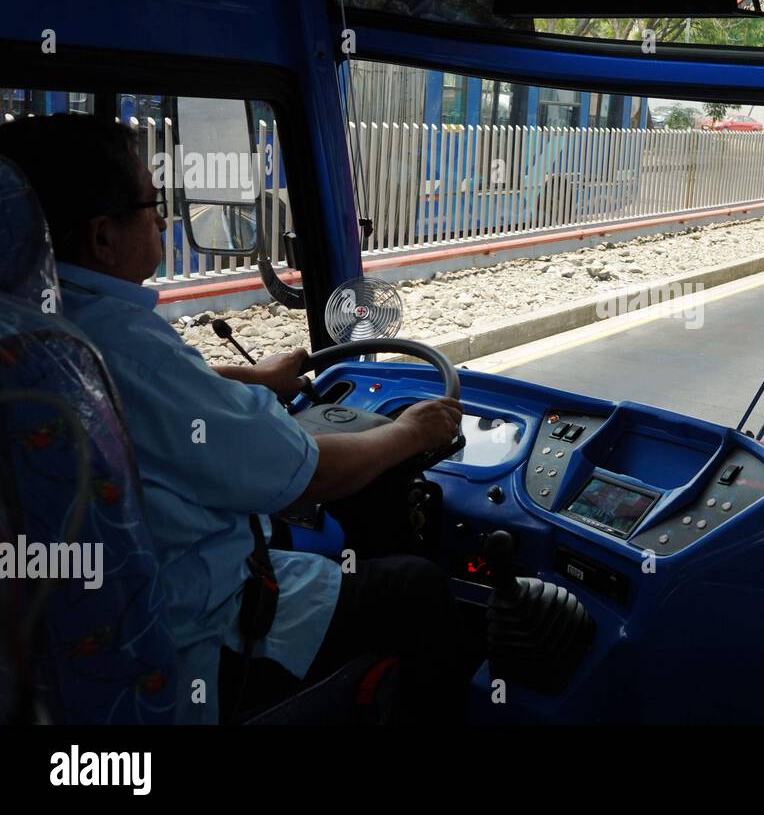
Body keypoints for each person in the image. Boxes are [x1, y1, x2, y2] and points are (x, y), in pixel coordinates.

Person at [0, 113, 466, 723]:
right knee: (416, 587)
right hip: (203, 635)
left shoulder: (43, 334)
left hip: (66, 651)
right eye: (151, 202)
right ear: (102, 236)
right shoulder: (125, 340)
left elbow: (135, 398)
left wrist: (252, 377)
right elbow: (313, 474)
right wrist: (412, 431)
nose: (164, 219)